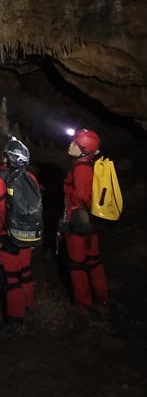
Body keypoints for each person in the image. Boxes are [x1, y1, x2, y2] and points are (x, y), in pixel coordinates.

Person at [0, 137, 37, 334]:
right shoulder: (31, 178)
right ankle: (29, 304)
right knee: (25, 272)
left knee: (11, 278)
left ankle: (16, 321)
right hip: (29, 234)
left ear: (6, 158)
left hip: (7, 235)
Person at [61, 128, 110, 314]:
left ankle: (83, 303)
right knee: (93, 260)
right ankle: (102, 299)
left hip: (78, 220)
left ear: (84, 150)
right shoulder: (89, 164)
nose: (70, 144)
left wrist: (74, 214)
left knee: (77, 263)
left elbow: (81, 195)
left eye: (75, 143)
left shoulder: (81, 168)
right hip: (90, 219)